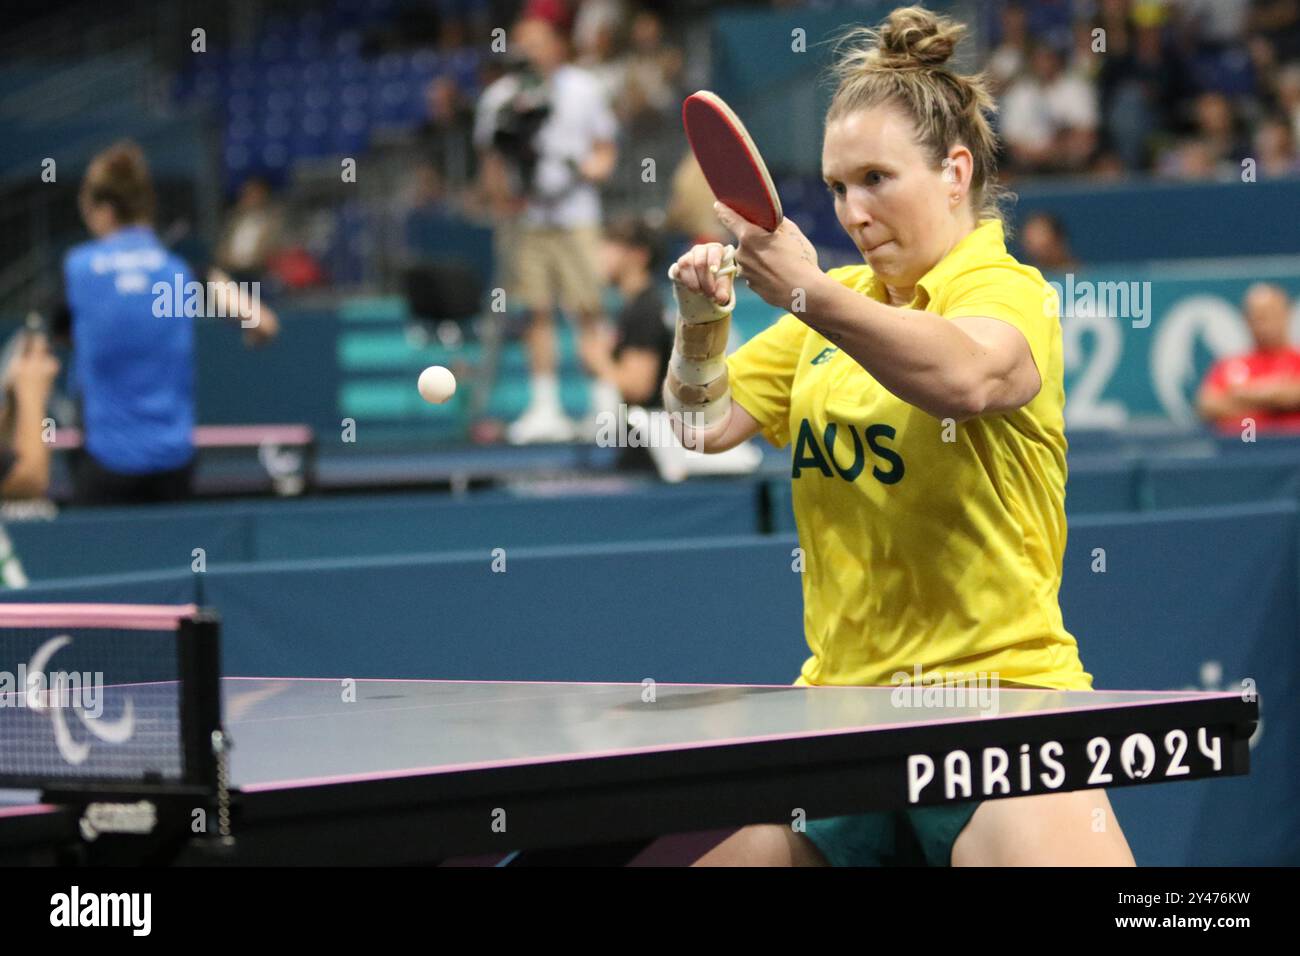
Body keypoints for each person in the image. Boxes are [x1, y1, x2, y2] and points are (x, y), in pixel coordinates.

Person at [667, 6, 1134, 866]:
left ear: (955, 172)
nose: (854, 211)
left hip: (999, 708)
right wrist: (701, 323)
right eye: (840, 187)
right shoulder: (835, 311)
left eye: (878, 179)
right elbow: (699, 426)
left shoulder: (1007, 290)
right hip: (843, 719)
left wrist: (809, 293)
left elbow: (966, 377)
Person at [57, 140, 278, 506]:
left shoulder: (79, 269)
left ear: (103, 210)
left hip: (104, 467)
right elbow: (264, 324)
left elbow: (66, 332)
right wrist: (252, 335)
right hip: (173, 468)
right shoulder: (179, 275)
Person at [476, 15, 620, 444]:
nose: (532, 52)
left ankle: (604, 400)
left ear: (557, 45)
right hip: (528, 220)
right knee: (534, 311)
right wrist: (503, 203)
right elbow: (491, 160)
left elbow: (605, 145)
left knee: (587, 306)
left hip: (576, 214)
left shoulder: (584, 88)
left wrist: (596, 169)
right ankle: (545, 406)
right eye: (523, 44)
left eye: (539, 43)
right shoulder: (499, 97)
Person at [579, 217, 672, 473]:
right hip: (639, 444)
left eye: (611, 245)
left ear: (638, 255)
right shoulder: (634, 306)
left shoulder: (645, 309)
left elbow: (638, 387)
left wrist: (600, 361)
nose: (600, 254)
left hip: (655, 450)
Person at [1197, 283, 1300, 432]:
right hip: (1241, 449)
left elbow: (1295, 395)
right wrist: (1277, 403)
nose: (1265, 325)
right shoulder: (1229, 365)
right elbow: (1208, 405)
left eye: (1271, 314)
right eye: (1258, 317)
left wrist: (1242, 394)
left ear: (1286, 314)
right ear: (1247, 320)